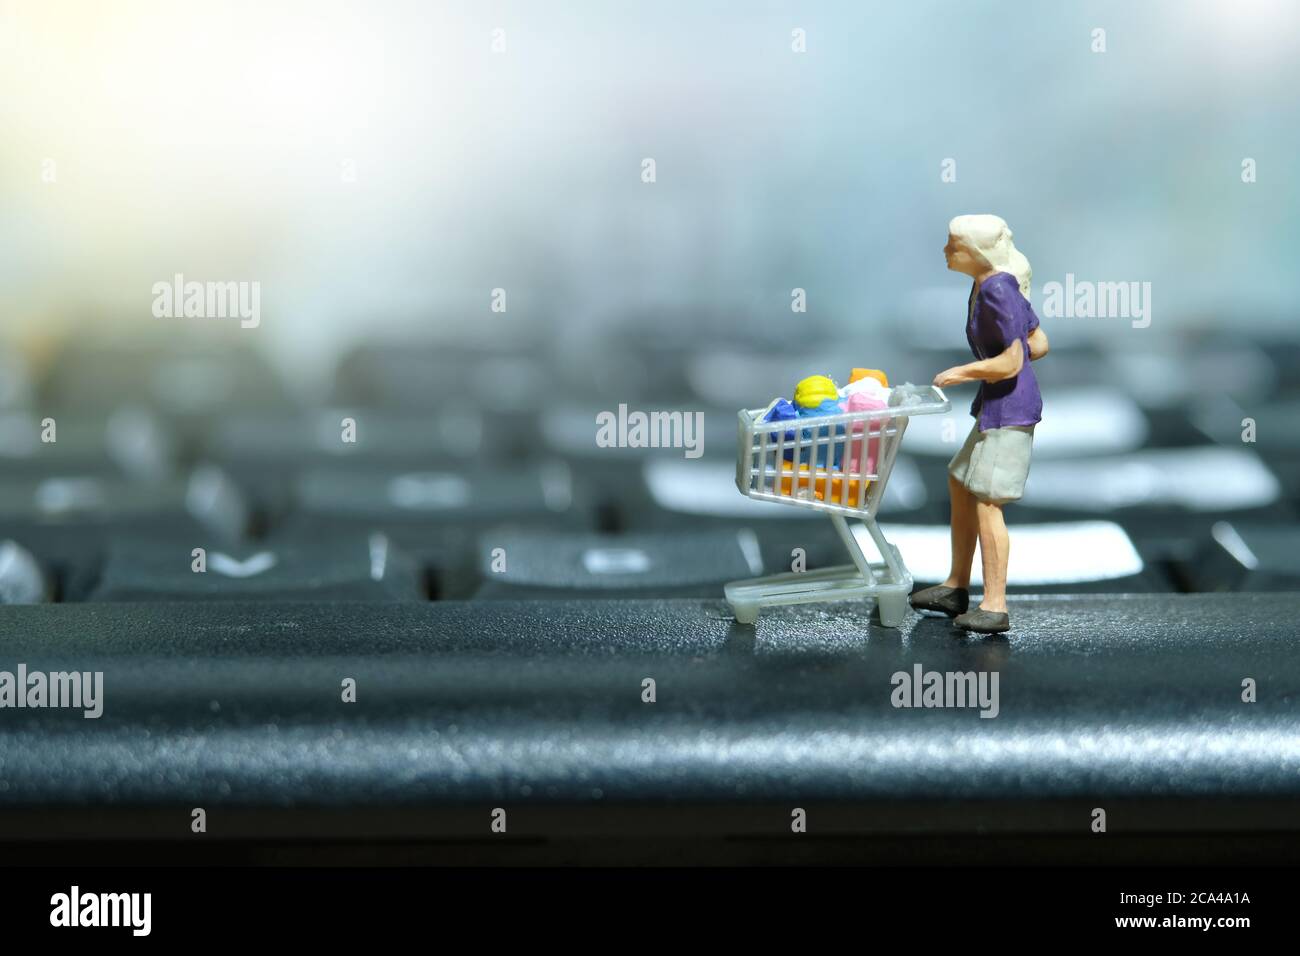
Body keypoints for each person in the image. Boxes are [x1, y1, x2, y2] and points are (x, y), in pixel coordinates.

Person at [910, 214, 1049, 633]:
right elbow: (1039, 342)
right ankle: (956, 586)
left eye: (954, 246)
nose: (947, 251)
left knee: (987, 501)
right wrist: (1001, 366)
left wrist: (962, 373)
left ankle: (994, 604)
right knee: (959, 480)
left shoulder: (998, 290)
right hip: (995, 405)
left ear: (977, 253)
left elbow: (1013, 361)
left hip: (1011, 411)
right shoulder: (987, 284)